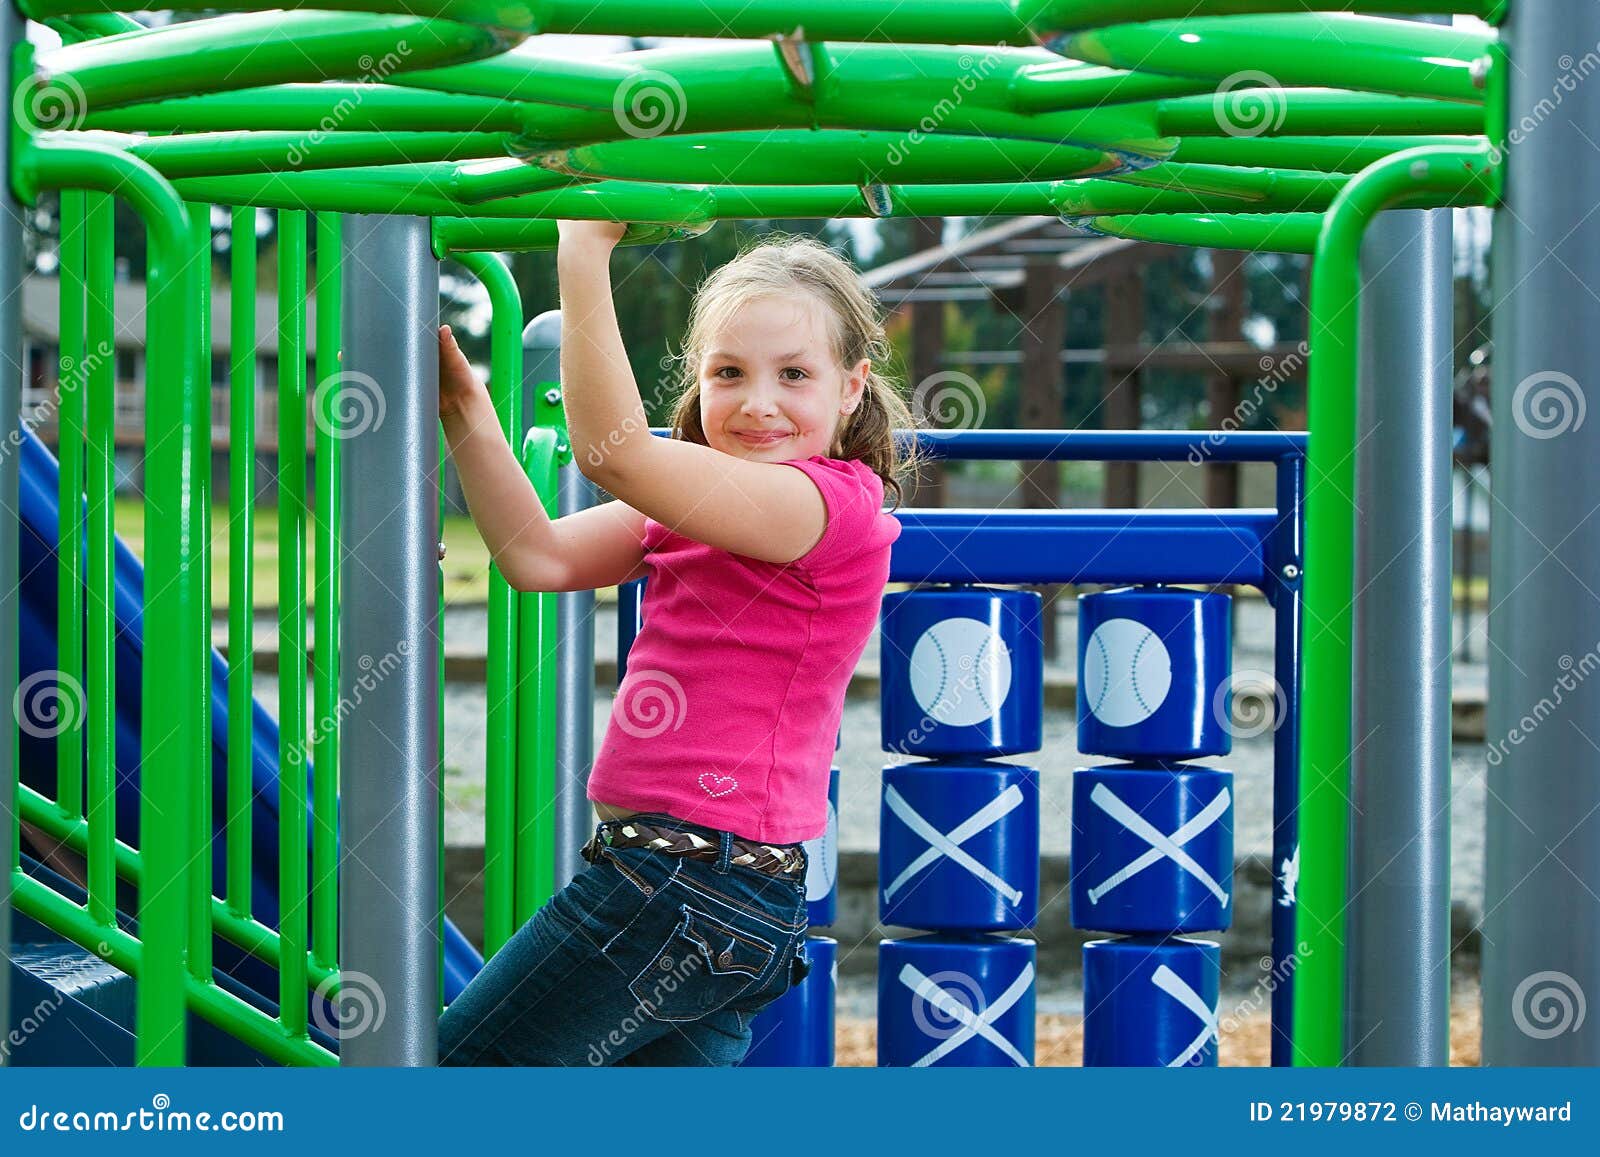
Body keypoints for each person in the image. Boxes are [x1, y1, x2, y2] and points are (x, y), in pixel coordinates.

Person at [435, 219, 922, 1065]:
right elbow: (538, 556)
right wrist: (465, 410)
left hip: (677, 891)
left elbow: (616, 455)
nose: (758, 401)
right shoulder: (694, 507)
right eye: (728, 372)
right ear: (697, 380)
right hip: (723, 901)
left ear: (851, 389)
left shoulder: (828, 507)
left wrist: (584, 248)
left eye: (794, 374)